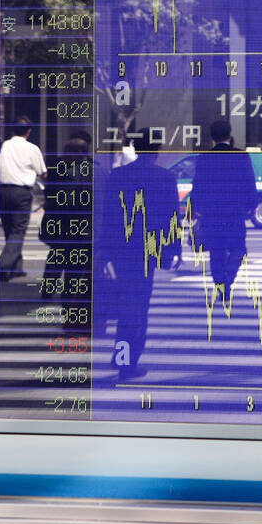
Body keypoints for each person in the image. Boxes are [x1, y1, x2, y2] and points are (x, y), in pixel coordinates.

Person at [98, 134, 182, 381]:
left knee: (126, 304)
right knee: (139, 306)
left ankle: (121, 355)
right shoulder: (166, 178)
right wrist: (174, 249)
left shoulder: (118, 176)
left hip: (121, 248)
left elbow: (109, 214)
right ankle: (128, 362)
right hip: (147, 249)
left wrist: (104, 248)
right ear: (156, 151)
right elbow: (171, 217)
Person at [190, 120, 258, 304]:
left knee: (216, 251)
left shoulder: (205, 158)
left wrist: (197, 207)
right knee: (238, 249)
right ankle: (229, 279)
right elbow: (249, 182)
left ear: (212, 137)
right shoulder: (241, 156)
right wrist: (251, 205)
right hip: (235, 212)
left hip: (212, 212)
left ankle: (221, 284)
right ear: (229, 134)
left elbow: (197, 185)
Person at [0, 118, 46, 282]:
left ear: (13, 130)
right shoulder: (32, 148)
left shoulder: (2, 146)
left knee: (9, 228)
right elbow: (42, 171)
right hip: (21, 192)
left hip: (3, 191)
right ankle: (5, 264)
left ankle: (16, 268)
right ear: (28, 132)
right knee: (18, 230)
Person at [39, 131, 91, 298]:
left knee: (60, 259)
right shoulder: (89, 169)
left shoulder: (58, 168)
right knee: (66, 260)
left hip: (65, 223)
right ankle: (62, 292)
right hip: (74, 224)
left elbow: (50, 194)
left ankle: (55, 292)